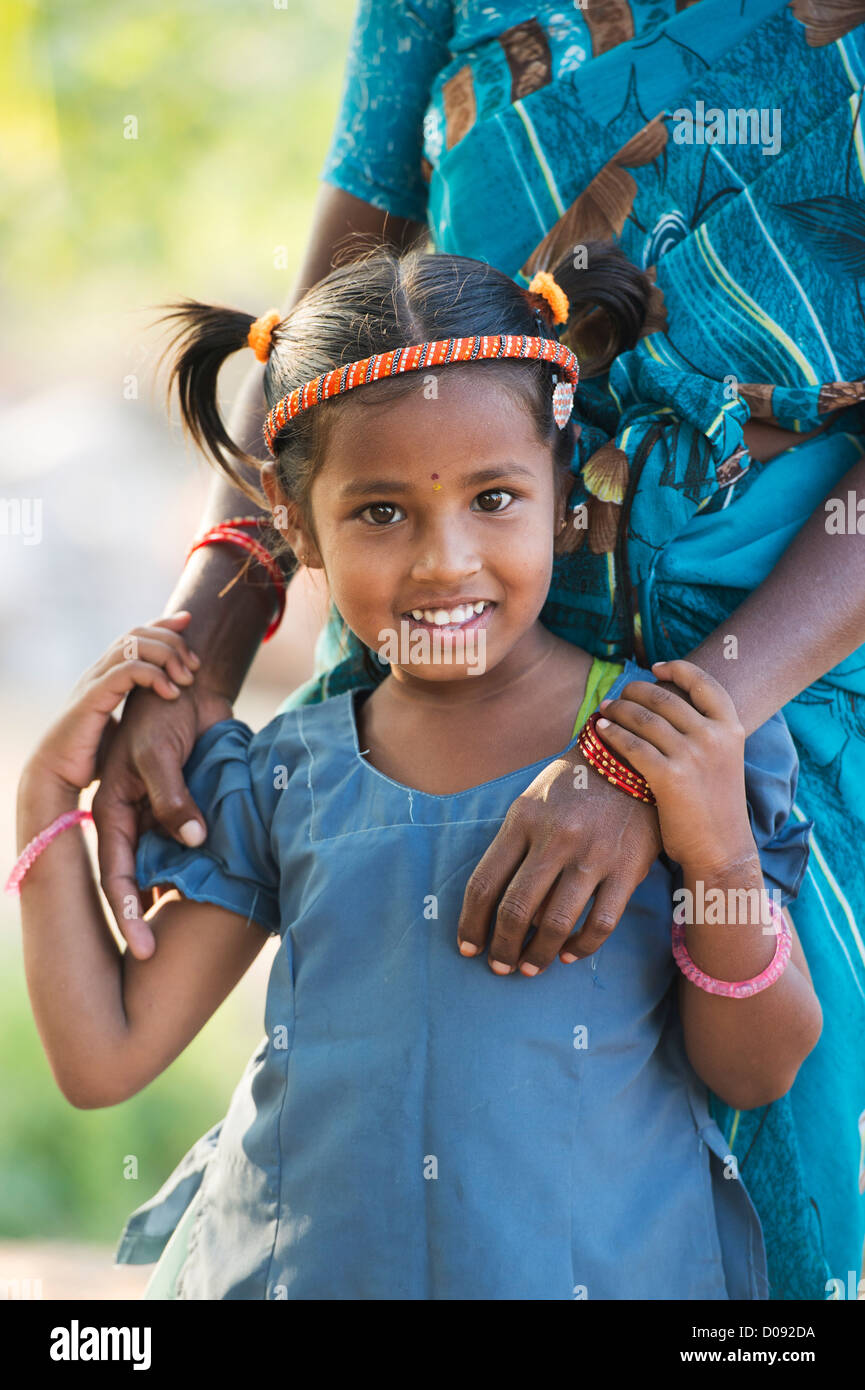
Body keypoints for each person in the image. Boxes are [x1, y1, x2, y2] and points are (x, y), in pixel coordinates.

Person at [89, 0, 865, 1297]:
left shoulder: (735, 785)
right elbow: (322, 325)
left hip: (783, 676)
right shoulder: (313, 764)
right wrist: (198, 642)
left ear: (547, 482)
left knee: (767, 1225)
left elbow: (756, 1052)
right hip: (444, 684)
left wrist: (653, 760)